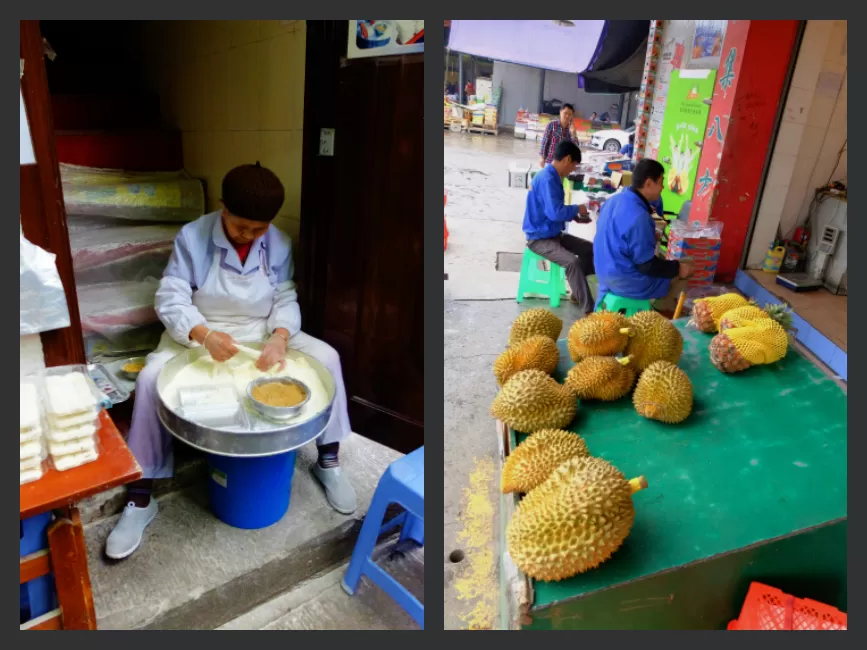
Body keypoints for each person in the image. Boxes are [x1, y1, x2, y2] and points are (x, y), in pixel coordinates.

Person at [105, 163, 357, 560]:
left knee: (328, 356)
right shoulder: (193, 237)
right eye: (242, 227)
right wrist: (202, 334)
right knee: (152, 376)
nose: (251, 236)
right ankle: (141, 495)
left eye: (259, 229)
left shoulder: (278, 242)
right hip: (199, 331)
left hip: (260, 331)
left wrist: (280, 336)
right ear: (222, 207)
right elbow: (171, 298)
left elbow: (285, 296)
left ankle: (328, 459)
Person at [593, 159, 694, 313]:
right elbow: (646, 265)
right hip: (625, 281)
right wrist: (679, 268)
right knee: (687, 265)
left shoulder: (613, 201)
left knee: (666, 263)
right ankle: (661, 315)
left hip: (604, 272)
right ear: (648, 183)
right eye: (660, 182)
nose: (663, 188)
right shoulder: (640, 216)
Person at [523, 141, 595, 314]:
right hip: (539, 238)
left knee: (590, 249)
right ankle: (589, 311)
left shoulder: (554, 176)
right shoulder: (548, 178)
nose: (572, 170)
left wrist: (575, 217)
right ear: (567, 159)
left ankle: (578, 294)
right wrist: (578, 208)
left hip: (552, 233)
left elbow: (553, 212)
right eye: (573, 166)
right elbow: (555, 213)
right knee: (572, 262)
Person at [539, 103, 578, 167]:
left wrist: (574, 135)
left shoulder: (571, 129)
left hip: (563, 165)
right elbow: (544, 142)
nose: (567, 116)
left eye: (570, 114)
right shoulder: (552, 125)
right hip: (550, 162)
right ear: (560, 112)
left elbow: (575, 149)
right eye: (565, 113)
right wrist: (542, 158)